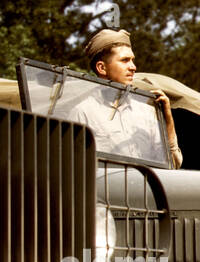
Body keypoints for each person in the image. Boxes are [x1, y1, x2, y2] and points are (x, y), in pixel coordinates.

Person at [74, 28, 182, 167]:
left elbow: (173, 164)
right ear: (102, 68)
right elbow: (74, 168)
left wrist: (168, 122)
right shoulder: (82, 112)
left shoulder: (146, 111)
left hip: (145, 187)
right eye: (125, 60)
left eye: (132, 60)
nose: (133, 67)